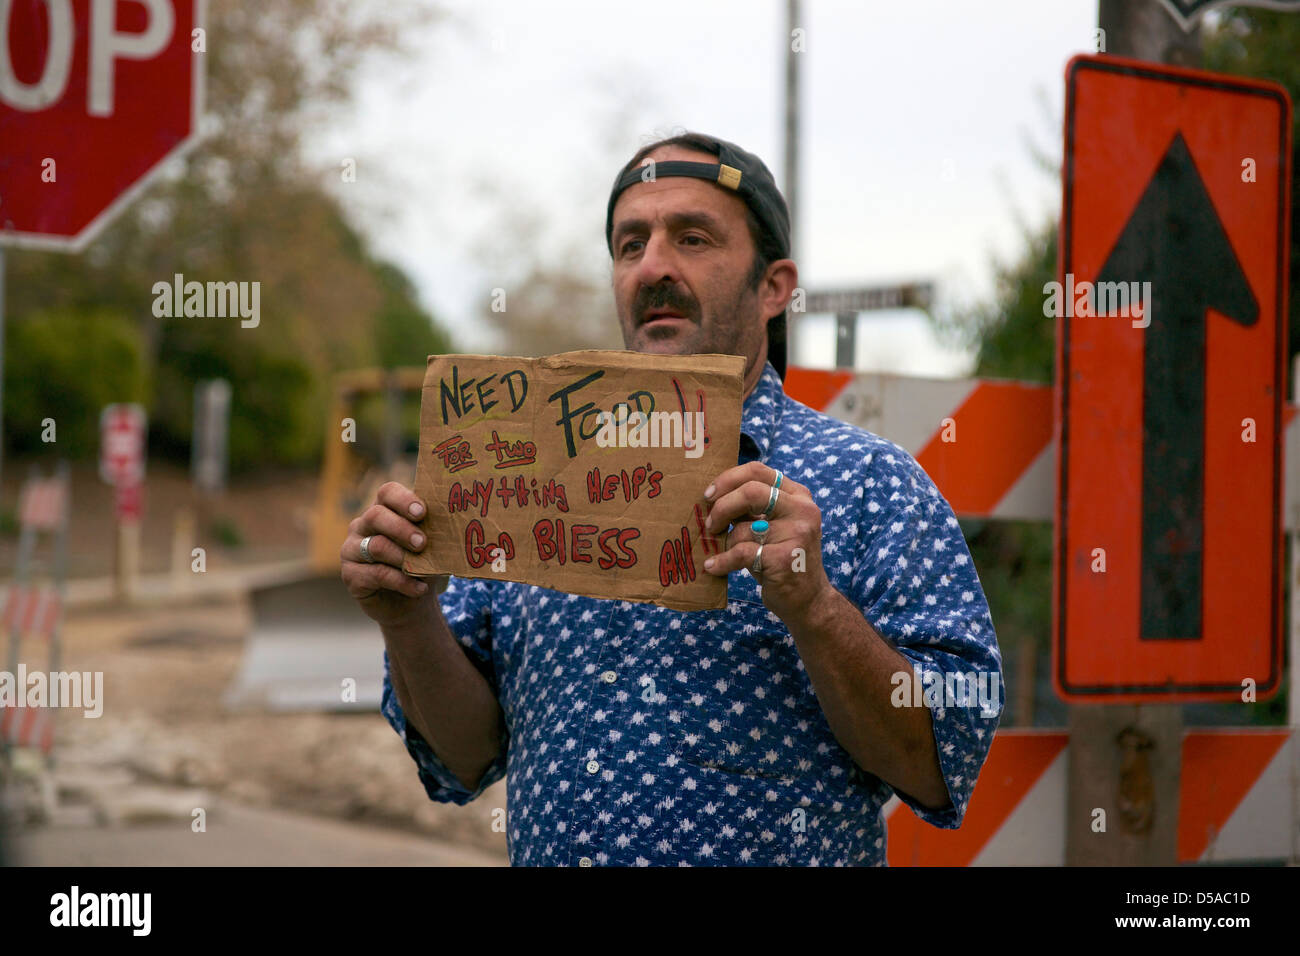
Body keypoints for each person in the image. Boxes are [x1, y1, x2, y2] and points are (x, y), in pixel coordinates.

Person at [341, 132, 1003, 866]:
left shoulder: (872, 485)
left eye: (692, 238)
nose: (653, 267)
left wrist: (815, 609)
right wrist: (409, 620)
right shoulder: (516, 479)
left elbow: (941, 761)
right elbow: (465, 759)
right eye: (630, 246)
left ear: (774, 286)